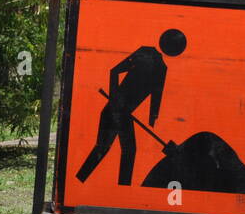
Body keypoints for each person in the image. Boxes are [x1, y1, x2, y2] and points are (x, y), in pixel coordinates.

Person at [76, 28, 186, 185]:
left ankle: (122, 188)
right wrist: (114, 99)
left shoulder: (162, 68)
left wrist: (152, 120)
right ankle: (81, 181)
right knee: (104, 149)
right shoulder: (145, 53)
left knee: (127, 151)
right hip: (113, 111)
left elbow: (156, 98)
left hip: (125, 114)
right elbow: (114, 71)